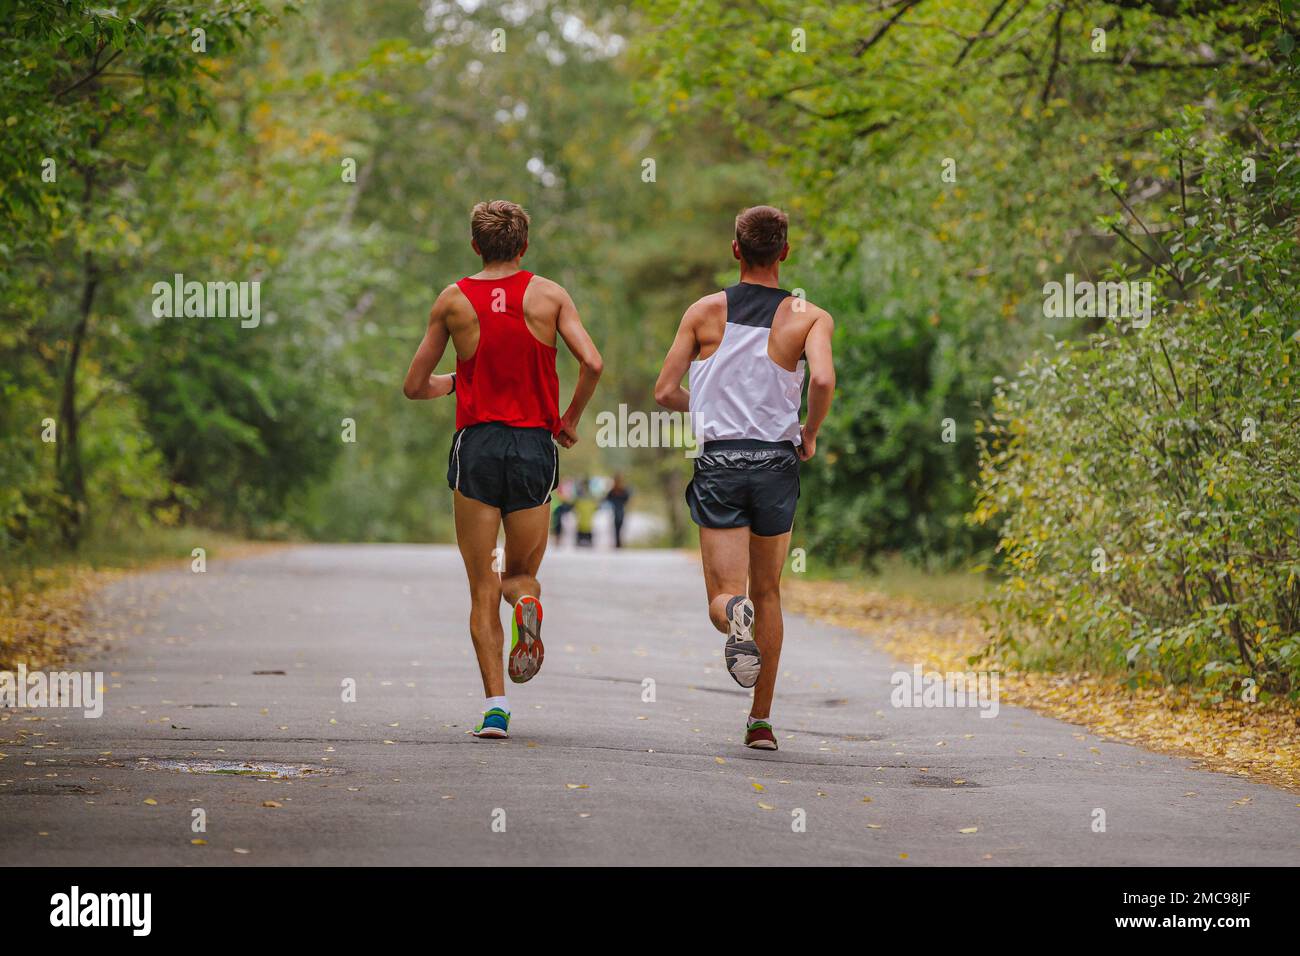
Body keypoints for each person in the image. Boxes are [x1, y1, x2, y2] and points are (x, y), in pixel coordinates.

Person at [402, 200, 603, 739]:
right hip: (536, 447)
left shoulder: (452, 300)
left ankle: (496, 708)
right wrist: (568, 420)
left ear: (475, 246)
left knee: (481, 585)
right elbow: (593, 362)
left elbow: (414, 386)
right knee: (518, 575)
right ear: (524, 245)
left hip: (479, 445)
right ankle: (529, 603)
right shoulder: (550, 295)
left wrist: (456, 382)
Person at [653, 205, 835, 751]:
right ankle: (760, 723)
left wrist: (706, 408)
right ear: (785, 252)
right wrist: (811, 431)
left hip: (721, 463)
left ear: (735, 250)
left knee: (726, 594)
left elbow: (664, 391)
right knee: (771, 591)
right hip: (776, 463)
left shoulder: (704, 311)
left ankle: (735, 615)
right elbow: (822, 377)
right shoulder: (809, 315)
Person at [605, 474, 631, 548]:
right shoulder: (615, 490)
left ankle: (618, 542)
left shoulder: (621, 490)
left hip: (620, 510)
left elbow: (626, 498)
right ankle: (618, 542)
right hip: (616, 510)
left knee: (619, 526)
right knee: (617, 527)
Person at [572, 480, 597, 548]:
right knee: (585, 526)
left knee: (585, 526)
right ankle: (584, 541)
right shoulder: (589, 496)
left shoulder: (581, 496)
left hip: (584, 522)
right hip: (585, 523)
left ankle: (582, 541)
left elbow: (575, 506)